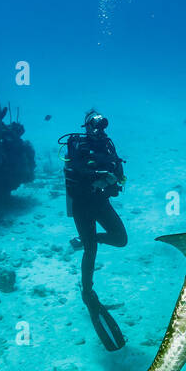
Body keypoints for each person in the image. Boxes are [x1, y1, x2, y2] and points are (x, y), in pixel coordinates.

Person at [60, 110, 128, 352]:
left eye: (102, 124)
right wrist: (98, 176)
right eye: (94, 125)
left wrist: (112, 179)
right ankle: (87, 292)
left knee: (121, 239)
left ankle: (84, 240)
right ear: (86, 126)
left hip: (101, 203)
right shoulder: (76, 143)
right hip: (82, 205)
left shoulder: (108, 144)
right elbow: (76, 168)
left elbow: (119, 170)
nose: (99, 130)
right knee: (91, 250)